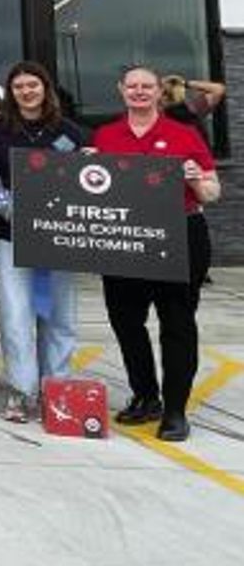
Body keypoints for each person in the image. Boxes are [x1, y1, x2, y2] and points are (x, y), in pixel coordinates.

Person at [93, 65, 221, 442]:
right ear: (121, 91)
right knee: (126, 321)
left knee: (177, 324)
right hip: (124, 238)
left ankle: (176, 410)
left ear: (159, 92)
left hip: (180, 233)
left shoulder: (184, 134)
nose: (139, 92)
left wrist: (197, 178)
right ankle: (146, 396)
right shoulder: (105, 135)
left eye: (147, 86)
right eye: (132, 86)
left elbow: (212, 192)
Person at [0, 61, 87, 423]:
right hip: (11, 236)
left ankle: (56, 389)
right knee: (15, 315)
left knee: (58, 318)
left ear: (45, 89)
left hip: (60, 239)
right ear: (11, 92)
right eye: (19, 86)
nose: (26, 91)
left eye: (33, 85)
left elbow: (89, 181)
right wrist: (12, 212)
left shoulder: (70, 132)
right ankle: (21, 391)